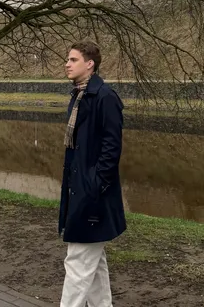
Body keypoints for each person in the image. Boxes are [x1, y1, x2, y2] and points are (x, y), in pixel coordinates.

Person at [58, 40, 126, 307]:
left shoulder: (105, 98)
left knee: (77, 261)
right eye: (67, 59)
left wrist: (94, 185)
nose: (67, 64)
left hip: (92, 195)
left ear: (90, 64)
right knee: (94, 266)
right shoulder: (79, 96)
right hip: (81, 190)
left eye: (73, 59)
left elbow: (112, 149)